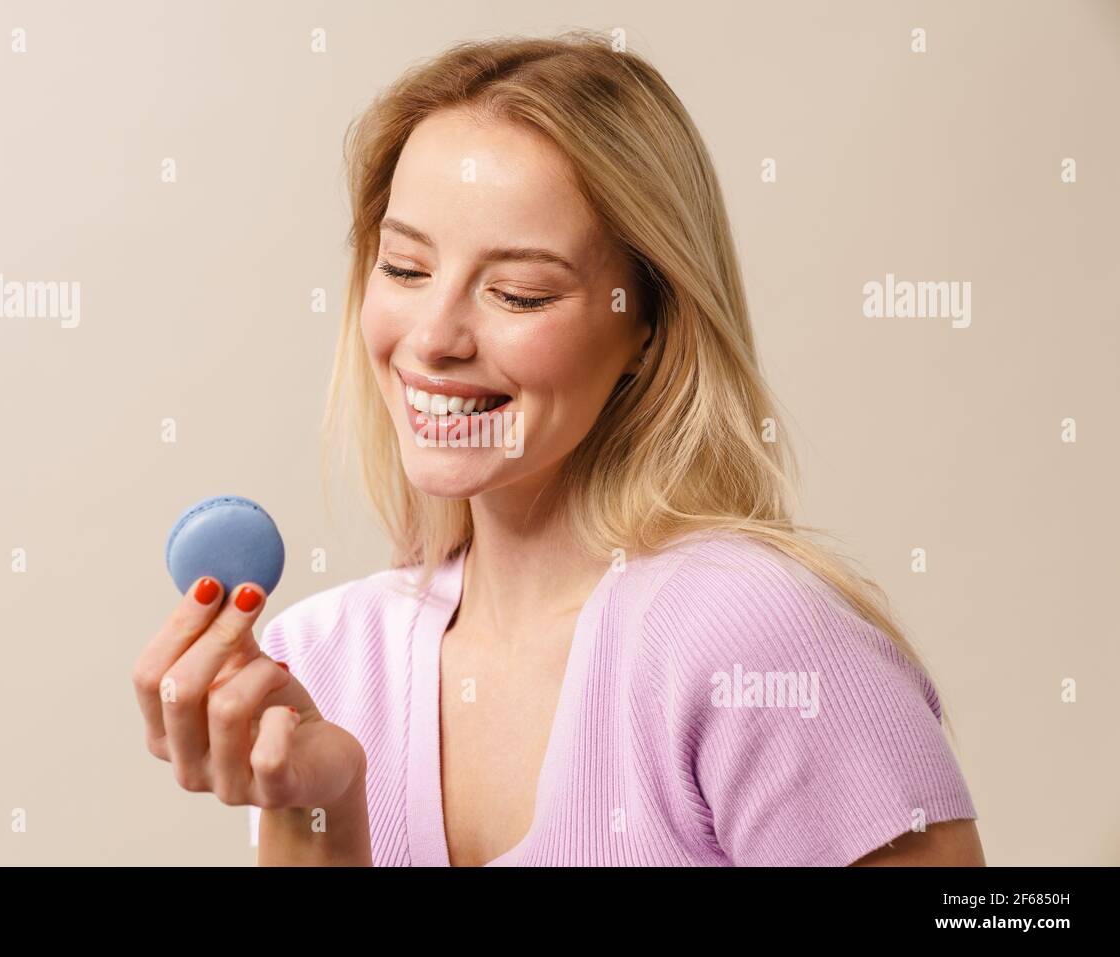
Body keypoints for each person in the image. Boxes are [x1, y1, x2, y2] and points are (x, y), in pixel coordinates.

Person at [132, 30, 984, 867]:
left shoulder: (752, 636)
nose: (434, 338)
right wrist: (316, 811)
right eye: (404, 268)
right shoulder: (324, 659)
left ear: (649, 325)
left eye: (519, 292)